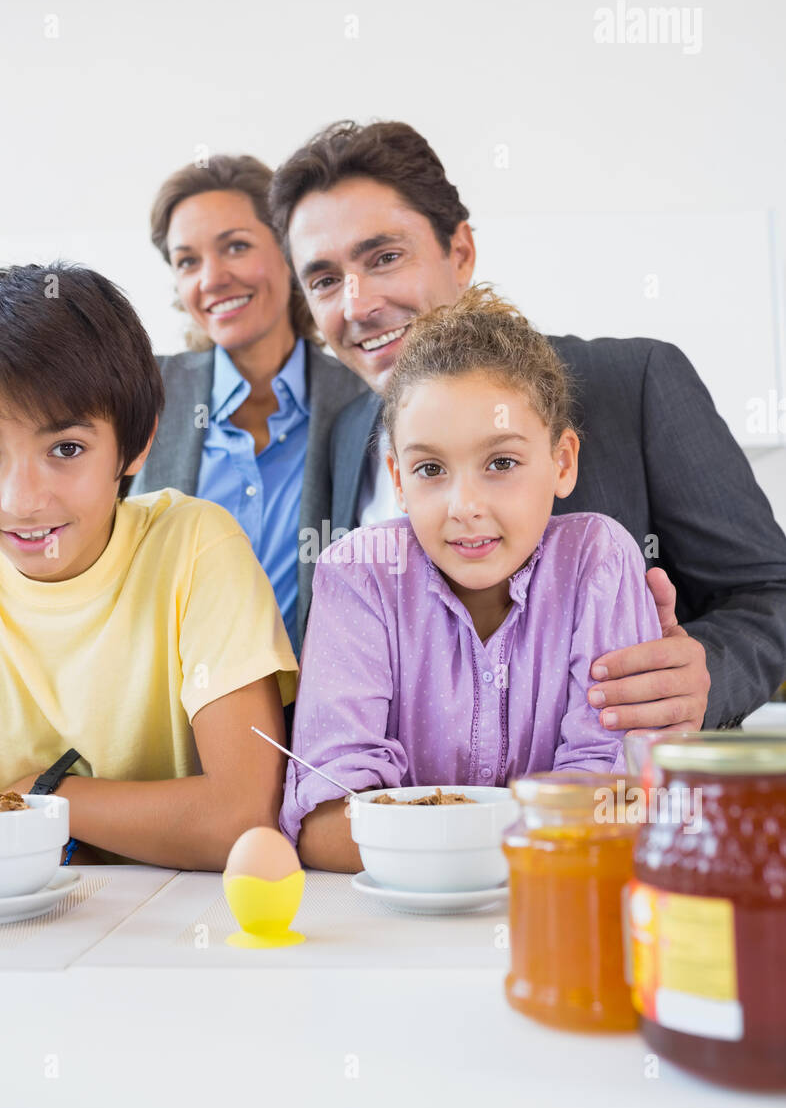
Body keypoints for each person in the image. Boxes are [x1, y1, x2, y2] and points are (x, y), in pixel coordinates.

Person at [269, 119, 786, 734]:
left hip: (591, 809)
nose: (356, 304)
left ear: (460, 251)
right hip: (402, 822)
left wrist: (702, 673)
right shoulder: (346, 430)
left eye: (384, 257)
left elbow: (768, 591)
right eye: (325, 280)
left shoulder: (636, 381)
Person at [0, 262, 298, 869]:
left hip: (169, 926)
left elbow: (242, 818)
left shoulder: (195, 547)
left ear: (137, 443)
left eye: (65, 449)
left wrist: (41, 797)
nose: (21, 500)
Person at [280, 288, 664, 868]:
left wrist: (419, 829)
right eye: (430, 469)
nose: (464, 506)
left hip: (558, 913)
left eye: (501, 463)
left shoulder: (597, 560)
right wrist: (530, 825)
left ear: (562, 462)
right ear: (399, 479)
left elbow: (614, 803)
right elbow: (327, 822)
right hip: (391, 929)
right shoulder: (358, 575)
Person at [130, 155, 366, 655]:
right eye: (187, 261)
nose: (211, 279)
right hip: (172, 717)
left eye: (236, 247)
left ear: (289, 252)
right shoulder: (143, 394)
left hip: (316, 716)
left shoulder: (362, 399)